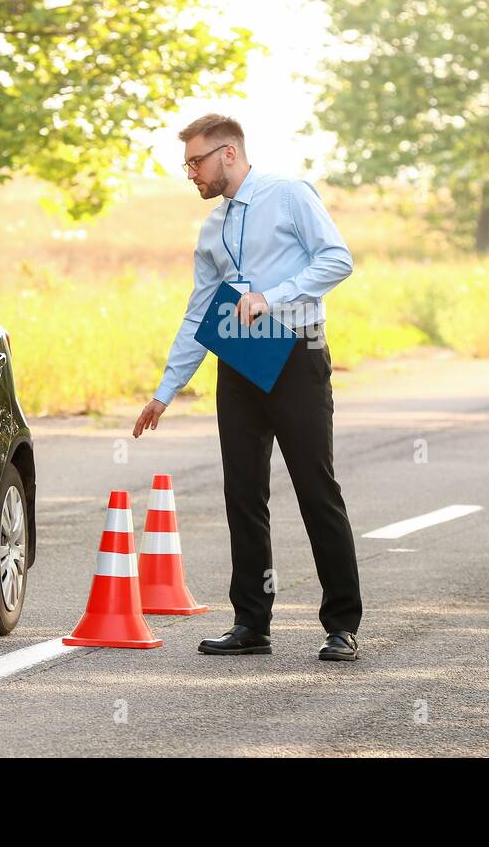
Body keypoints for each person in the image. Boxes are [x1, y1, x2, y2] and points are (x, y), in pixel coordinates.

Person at [132, 113, 363, 661]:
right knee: (243, 493)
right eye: (187, 162)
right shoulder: (212, 229)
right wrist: (167, 389)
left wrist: (273, 296)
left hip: (297, 356)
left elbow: (338, 260)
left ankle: (342, 625)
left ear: (228, 153)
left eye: (196, 160)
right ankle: (251, 623)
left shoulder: (288, 197)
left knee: (315, 488)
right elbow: (199, 312)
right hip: (238, 360)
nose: (190, 172)